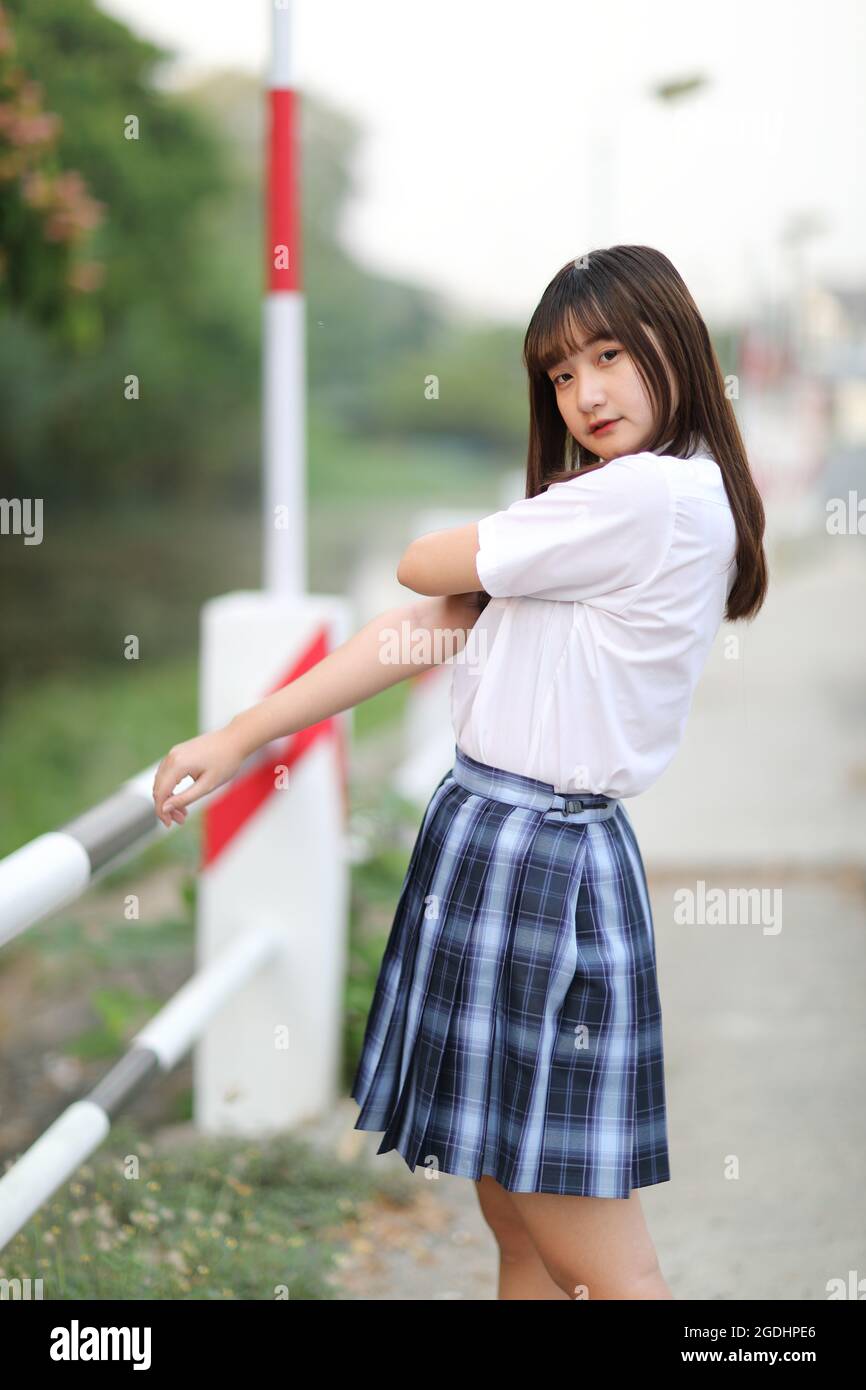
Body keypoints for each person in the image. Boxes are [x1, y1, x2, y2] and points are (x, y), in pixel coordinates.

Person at [152, 244, 768, 1301]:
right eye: (560, 375)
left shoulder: (647, 500)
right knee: (513, 1215)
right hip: (491, 843)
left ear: (677, 342)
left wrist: (507, 529)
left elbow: (421, 563)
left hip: (537, 859)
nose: (583, 393)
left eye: (608, 355)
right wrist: (239, 737)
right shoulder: (601, 513)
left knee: (601, 1257)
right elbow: (420, 629)